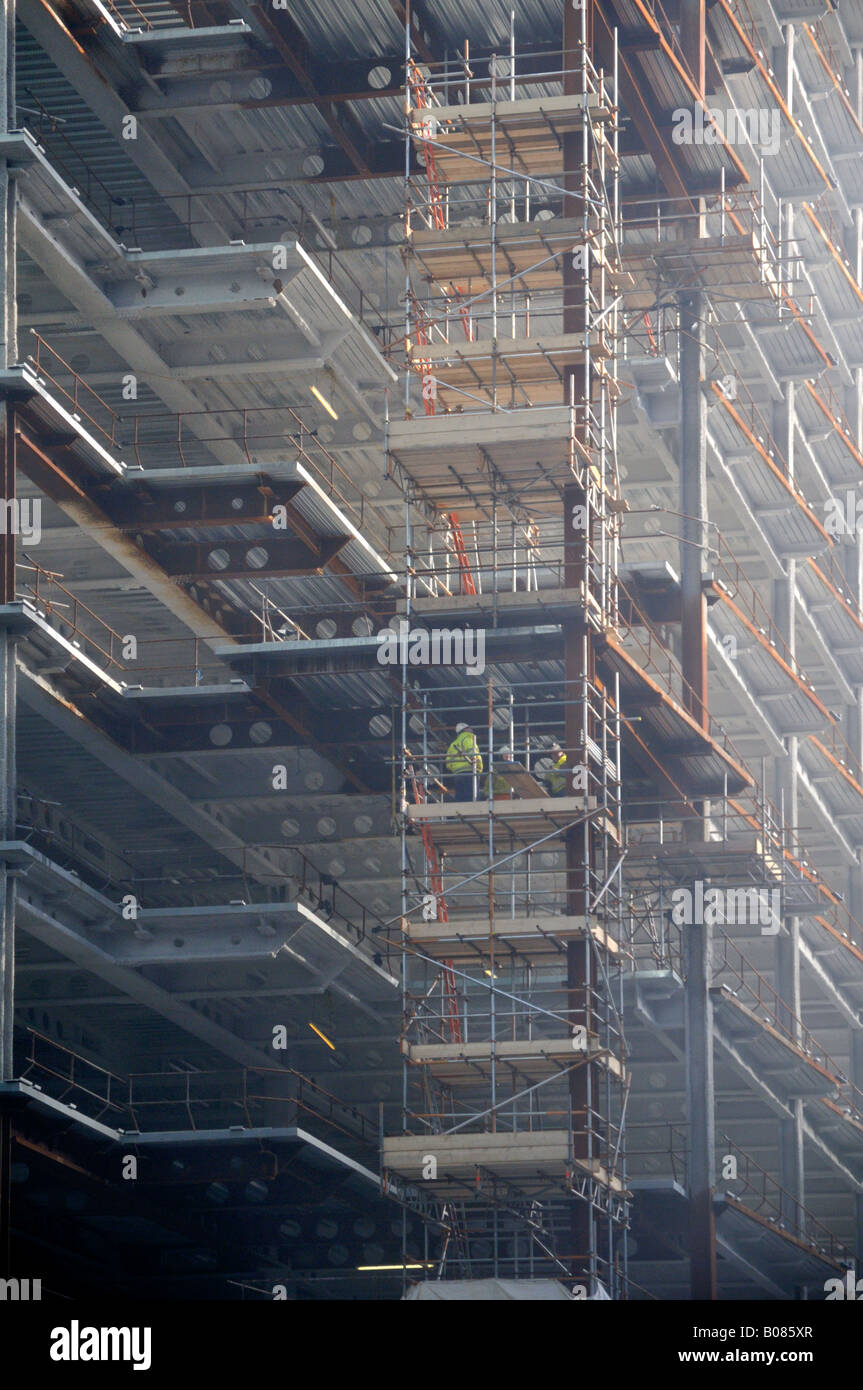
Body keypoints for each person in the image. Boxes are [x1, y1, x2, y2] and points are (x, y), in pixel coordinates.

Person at [445, 722, 483, 801]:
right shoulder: (467, 739)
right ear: (465, 729)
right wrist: (478, 765)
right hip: (470, 772)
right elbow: (473, 753)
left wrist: (456, 768)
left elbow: (448, 763)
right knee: (472, 797)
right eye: (469, 727)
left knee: (460, 798)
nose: (471, 729)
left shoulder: (453, 744)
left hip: (458, 774)